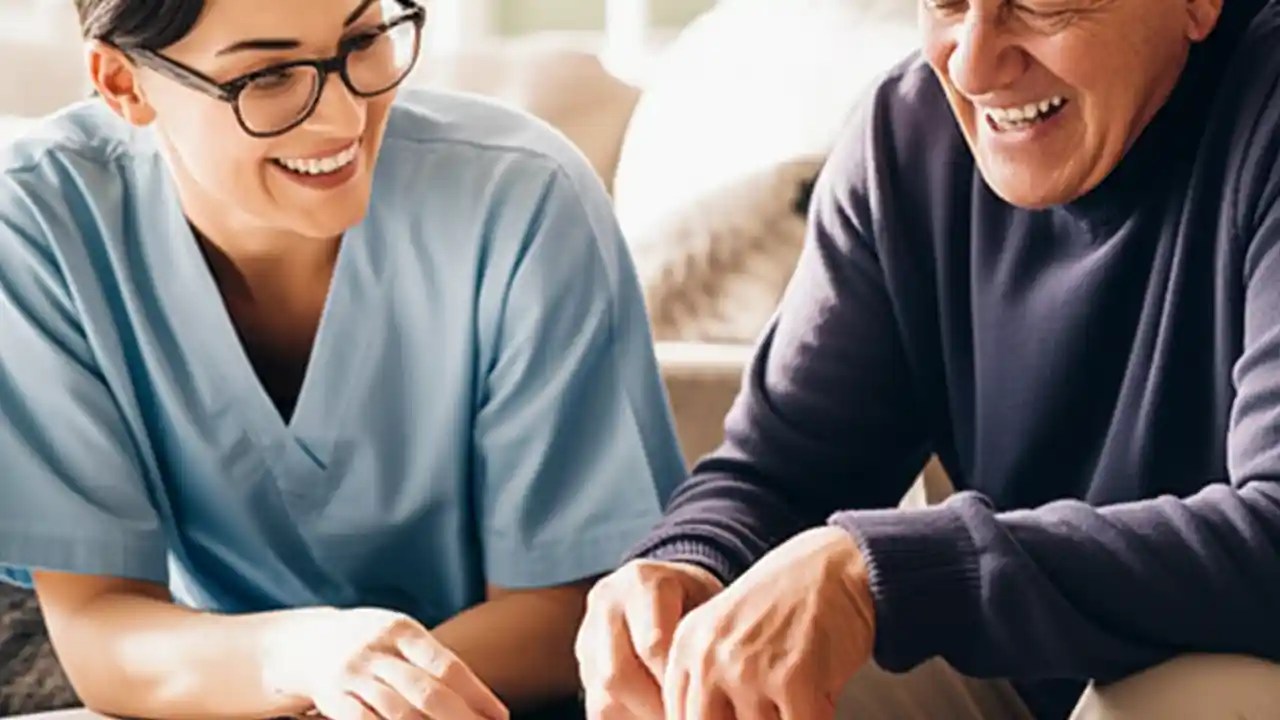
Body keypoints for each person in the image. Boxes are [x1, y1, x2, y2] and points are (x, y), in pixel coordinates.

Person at [576, 0, 1280, 718]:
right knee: (712, 671)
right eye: (947, 3)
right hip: (1039, 674)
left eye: (1038, 6)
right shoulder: (908, 137)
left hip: (1238, 665)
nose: (972, 65)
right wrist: (689, 568)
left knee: (1193, 695)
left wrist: (883, 574)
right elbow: (780, 473)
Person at [0, 1, 686, 719]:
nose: (343, 119)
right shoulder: (37, 223)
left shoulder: (523, 197)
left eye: (363, 41)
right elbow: (99, 623)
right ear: (122, 84)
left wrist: (355, 693)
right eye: (266, 75)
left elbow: (565, 611)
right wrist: (303, 658)